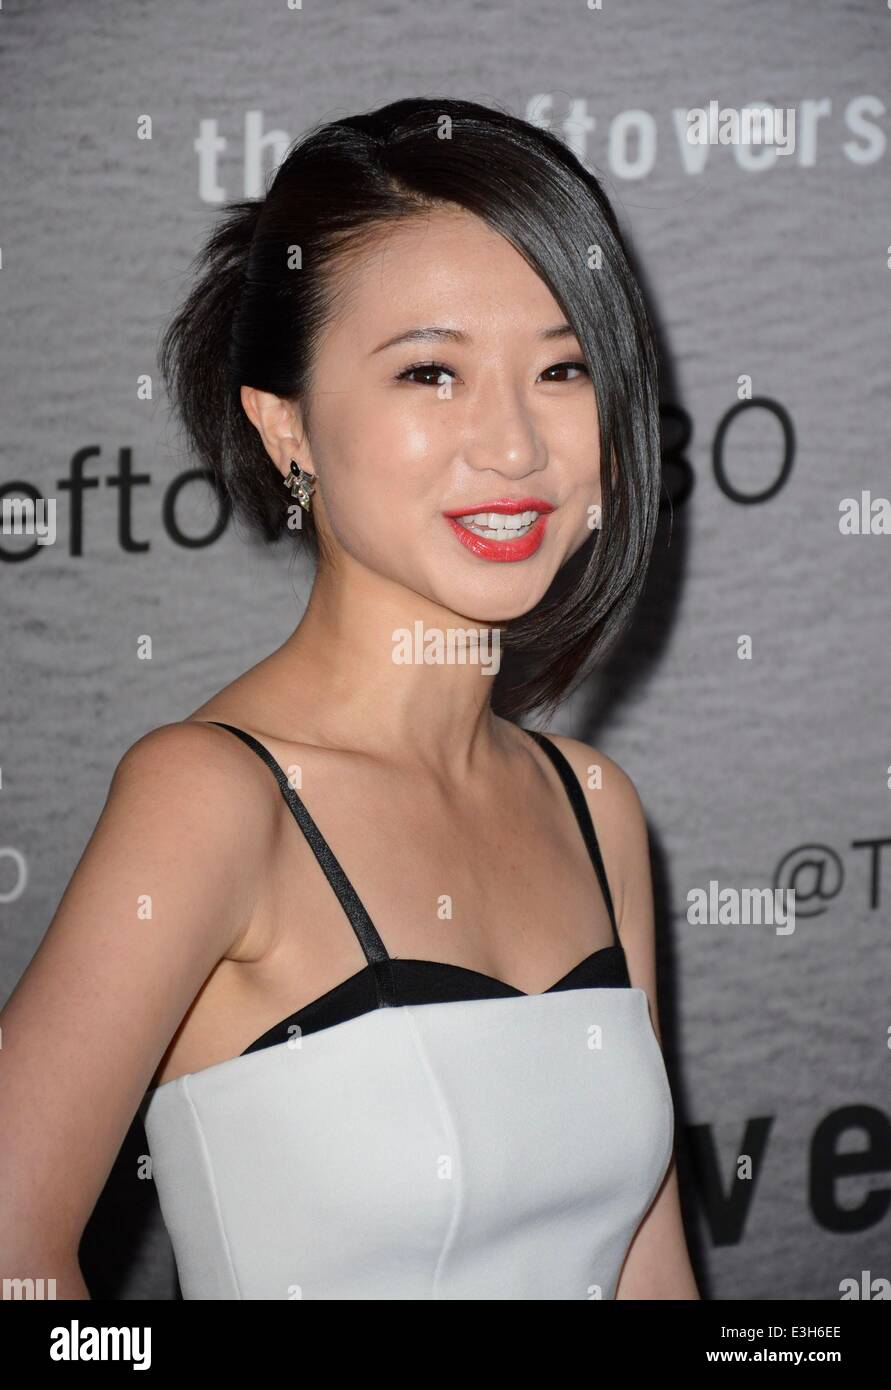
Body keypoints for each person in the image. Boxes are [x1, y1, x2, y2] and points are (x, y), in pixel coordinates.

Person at [0, 97, 699, 1300]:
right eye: (431, 371)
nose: (516, 444)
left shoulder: (594, 806)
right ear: (287, 429)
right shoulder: (210, 796)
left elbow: (651, 1276)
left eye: (562, 366)